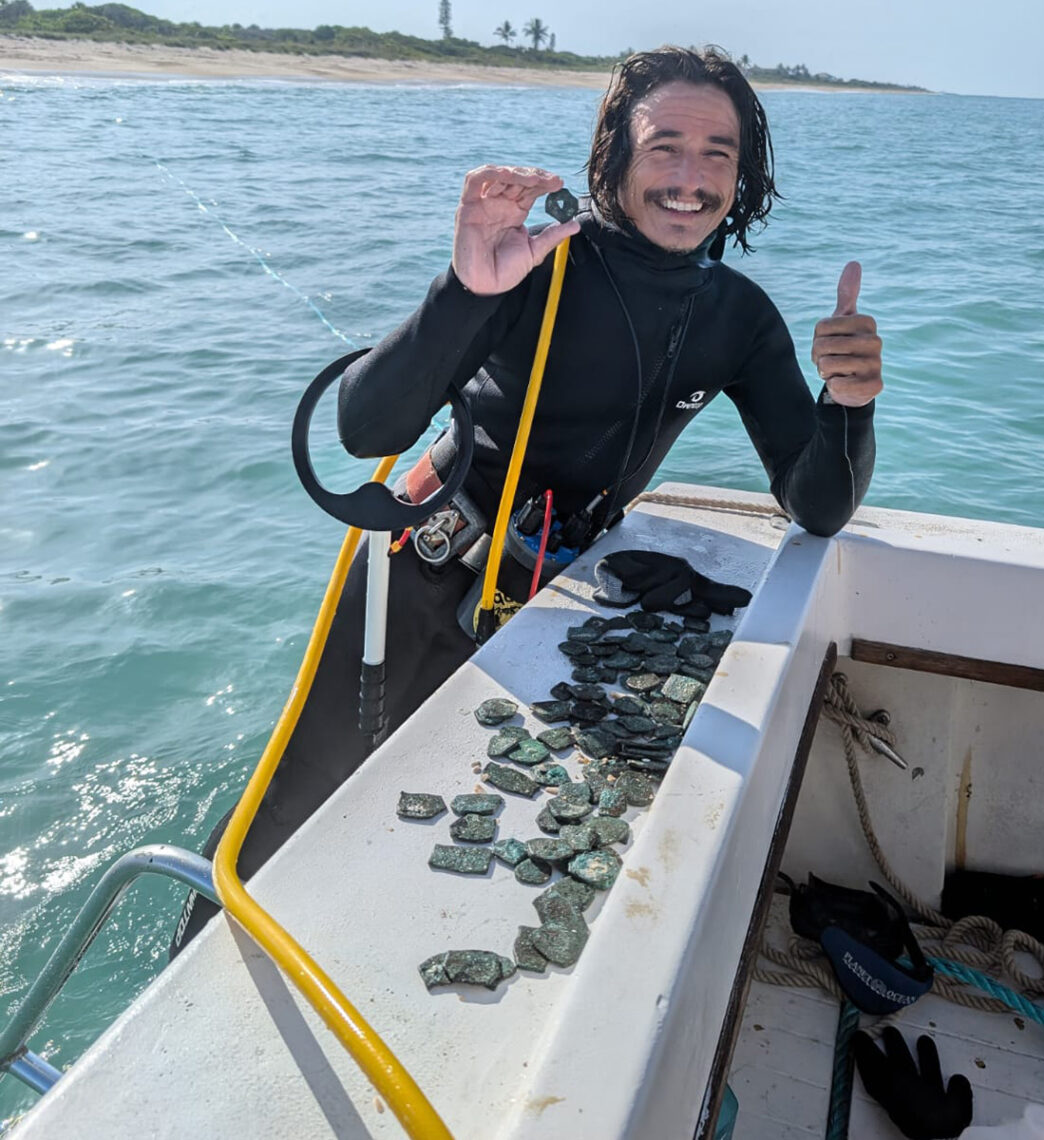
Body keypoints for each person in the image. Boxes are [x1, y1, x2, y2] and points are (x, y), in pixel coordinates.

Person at [170, 45, 882, 956]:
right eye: (664, 145)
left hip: (544, 600)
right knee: (292, 811)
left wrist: (849, 411)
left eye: (718, 153)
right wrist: (466, 292)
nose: (690, 178)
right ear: (614, 157)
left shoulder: (738, 319)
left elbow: (815, 505)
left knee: (441, 818)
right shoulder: (538, 260)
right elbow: (363, 427)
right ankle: (178, 989)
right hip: (421, 576)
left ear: (743, 175)